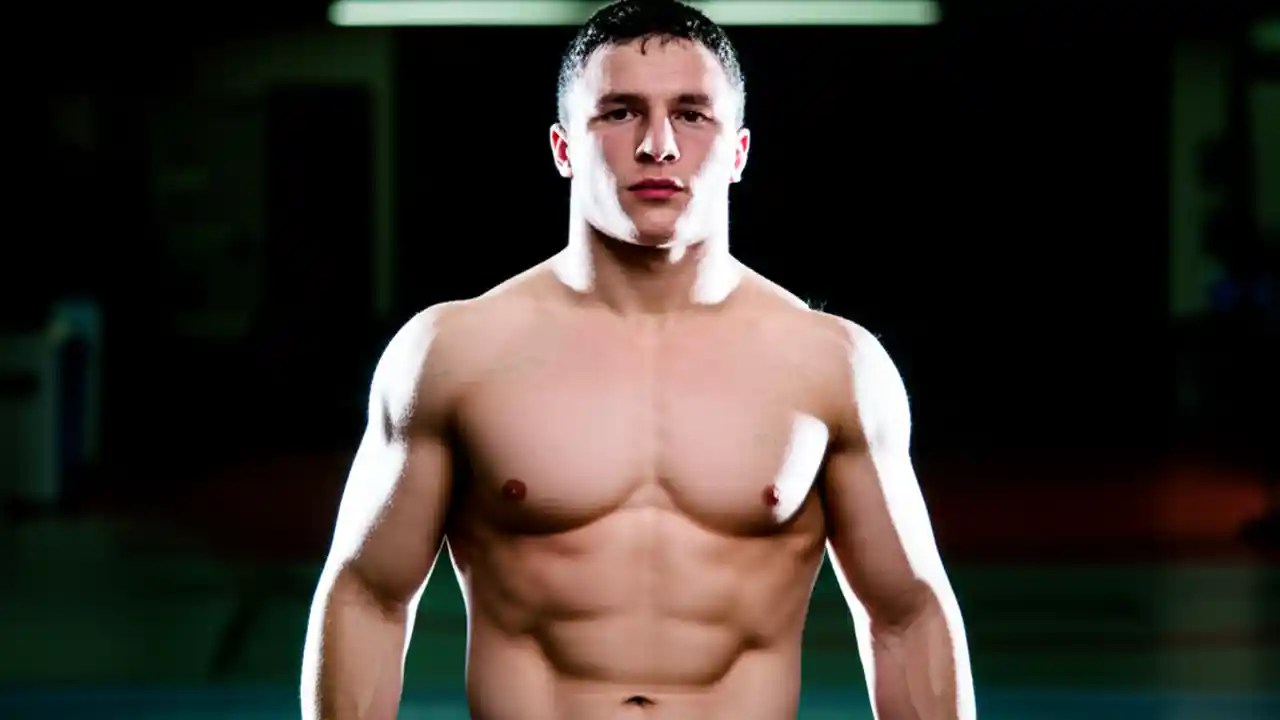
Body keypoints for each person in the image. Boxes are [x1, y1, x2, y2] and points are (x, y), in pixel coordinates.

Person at [300, 1, 975, 718]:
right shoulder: (455, 353)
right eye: (619, 113)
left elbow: (906, 616)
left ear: (738, 151)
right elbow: (367, 596)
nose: (658, 146)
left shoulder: (832, 365)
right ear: (564, 148)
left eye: (691, 114)